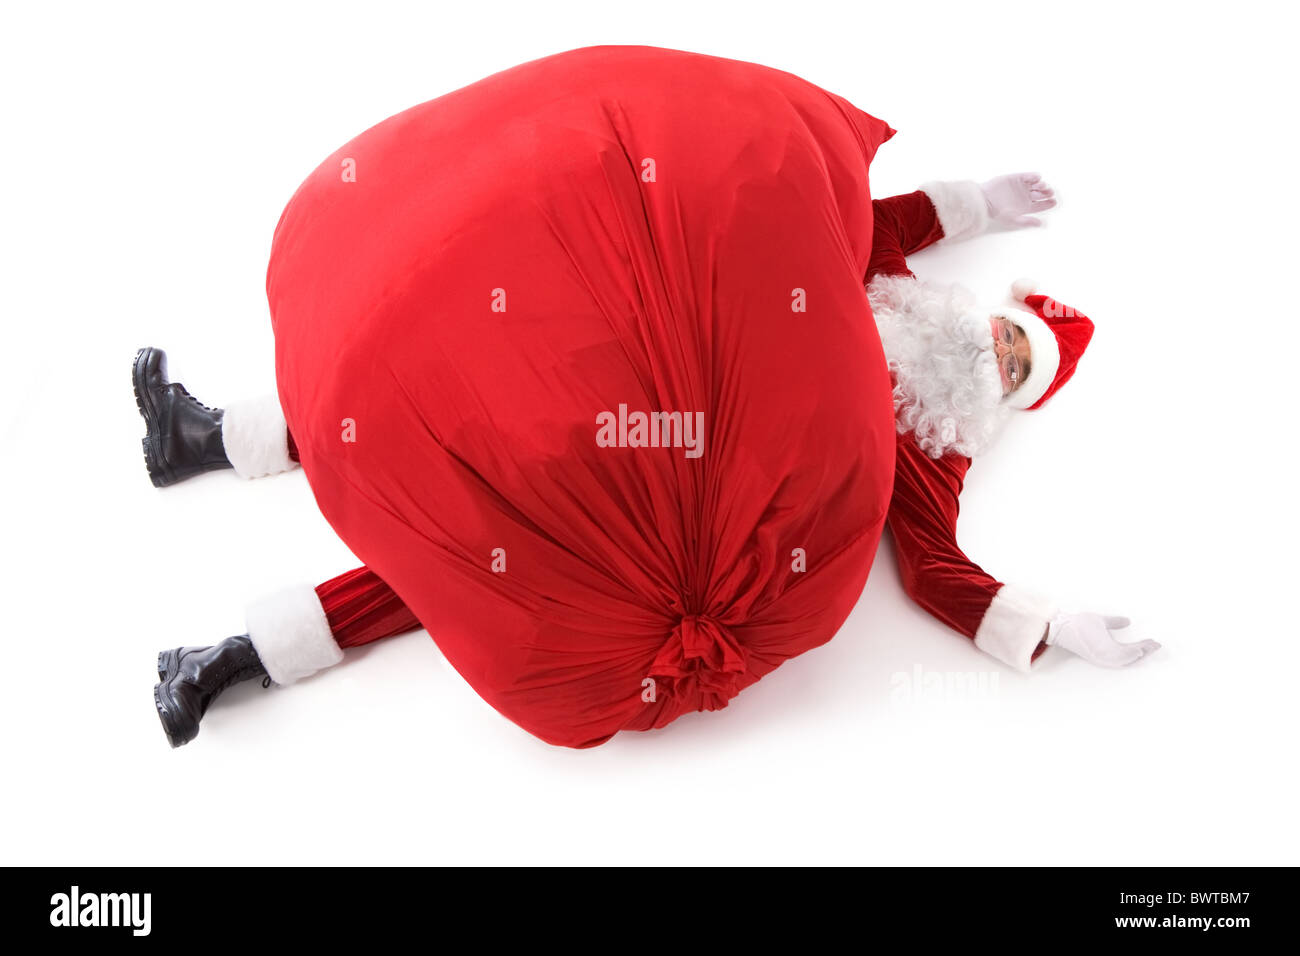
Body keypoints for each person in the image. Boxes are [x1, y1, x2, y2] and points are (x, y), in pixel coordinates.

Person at [137, 172, 1158, 748]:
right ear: (986, 313)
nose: (1000, 350)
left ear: (999, 401)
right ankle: (205, 437)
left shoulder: (930, 454)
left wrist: (1050, 624)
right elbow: (871, 213)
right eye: (1012, 333)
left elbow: (936, 570)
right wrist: (975, 202)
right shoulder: (881, 277)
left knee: (478, 538)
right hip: (638, 350)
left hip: (662, 475)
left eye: (1018, 367)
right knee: (446, 387)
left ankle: (227, 662)